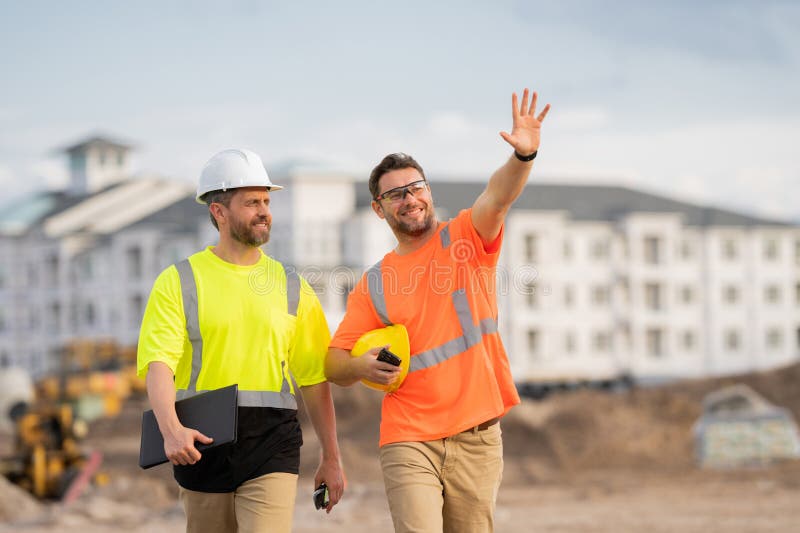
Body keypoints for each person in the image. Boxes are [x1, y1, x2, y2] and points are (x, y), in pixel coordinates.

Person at [325, 88, 550, 532]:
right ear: (378, 209)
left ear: (428, 191)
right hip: (409, 437)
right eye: (395, 195)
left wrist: (523, 158)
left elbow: (498, 197)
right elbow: (333, 363)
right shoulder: (374, 283)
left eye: (415, 188)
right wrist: (358, 365)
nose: (409, 199)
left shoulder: (466, 237)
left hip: (477, 436)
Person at [137, 148, 344, 533]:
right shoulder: (179, 281)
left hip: (273, 443)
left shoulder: (292, 286)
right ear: (219, 211)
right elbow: (159, 363)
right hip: (201, 444)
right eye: (252, 202)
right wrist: (171, 430)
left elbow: (314, 378)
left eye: (266, 201)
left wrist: (331, 457)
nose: (264, 210)